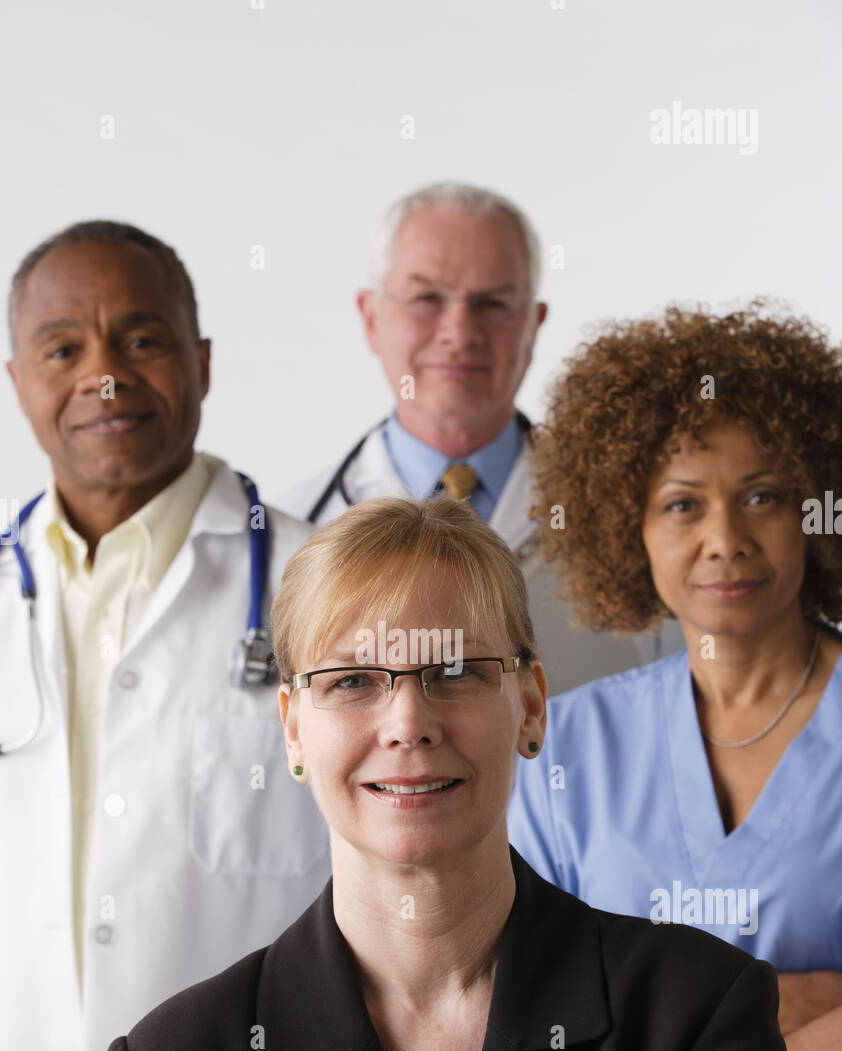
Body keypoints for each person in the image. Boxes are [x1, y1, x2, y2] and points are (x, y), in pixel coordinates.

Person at [101, 493, 789, 1051]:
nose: (408, 722)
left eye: (454, 672)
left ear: (531, 706)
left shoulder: (695, 1012)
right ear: (292, 728)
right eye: (354, 680)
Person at [0, 221, 330, 1051]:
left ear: (204, 360)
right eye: (63, 349)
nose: (105, 376)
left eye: (142, 339)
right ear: (16, 378)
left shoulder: (323, 579)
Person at [506, 300, 842, 1051]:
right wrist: (791, 1011)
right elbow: (519, 1032)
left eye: (763, 495)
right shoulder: (565, 750)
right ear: (628, 526)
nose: (723, 536)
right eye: (681, 503)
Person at [277, 181, 681, 690]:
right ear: (371, 317)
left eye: (492, 303)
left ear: (533, 326)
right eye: (426, 298)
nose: (459, 331)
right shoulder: (292, 533)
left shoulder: (626, 521)